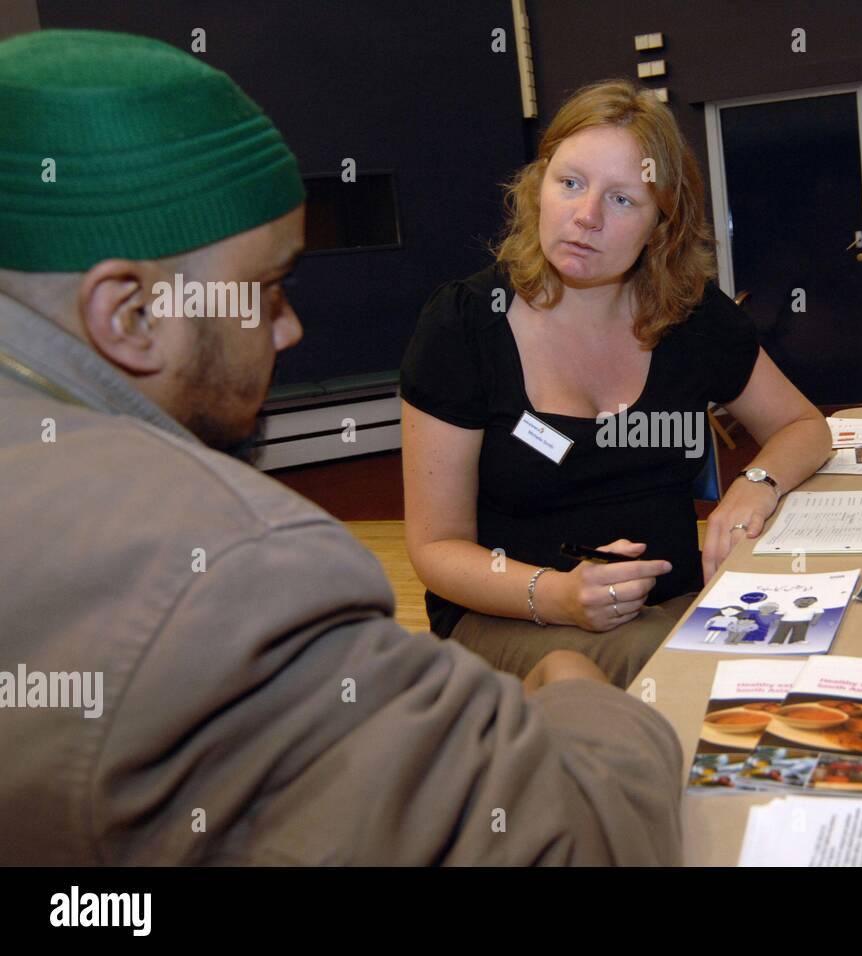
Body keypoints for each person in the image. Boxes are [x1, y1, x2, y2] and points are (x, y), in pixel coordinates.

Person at [0, 30, 681, 866]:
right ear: (129, 316)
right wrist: (574, 685)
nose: (288, 328)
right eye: (269, 287)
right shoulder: (231, 567)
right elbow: (580, 832)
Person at [400, 78, 831, 686]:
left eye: (624, 200)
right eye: (570, 183)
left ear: (662, 224)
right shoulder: (465, 325)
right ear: (537, 188)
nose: (586, 217)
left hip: (677, 608)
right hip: (515, 616)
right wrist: (558, 595)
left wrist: (754, 484)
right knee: (676, 673)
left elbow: (805, 427)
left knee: (808, 651)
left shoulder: (690, 316)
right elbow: (435, 547)